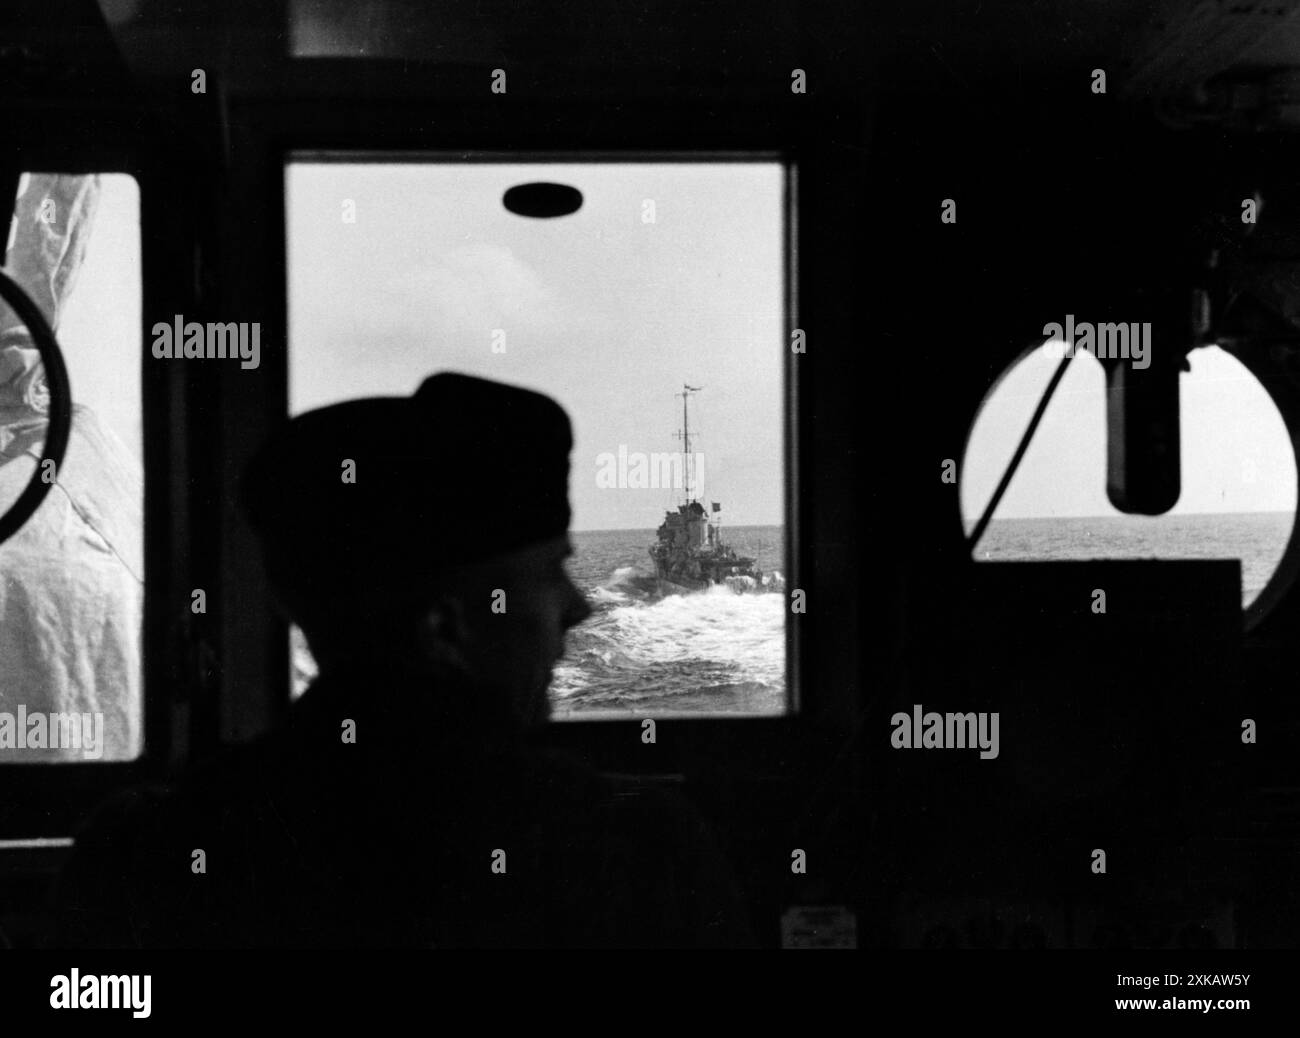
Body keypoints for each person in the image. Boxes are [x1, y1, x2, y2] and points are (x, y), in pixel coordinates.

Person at [54, 372, 753, 947]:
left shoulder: (144, 851)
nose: (579, 606)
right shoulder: (638, 853)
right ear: (444, 627)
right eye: (550, 574)